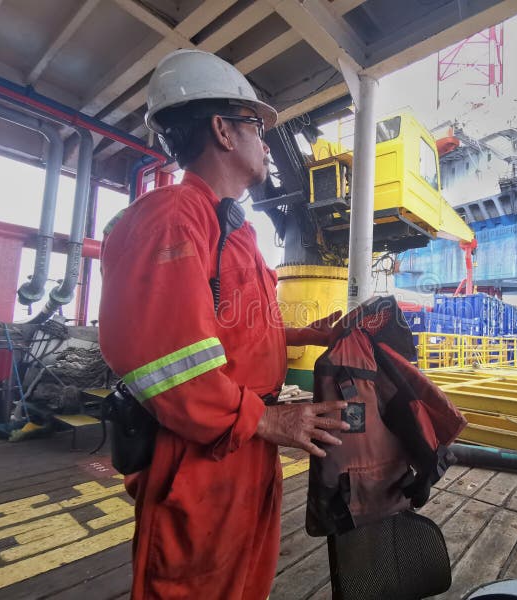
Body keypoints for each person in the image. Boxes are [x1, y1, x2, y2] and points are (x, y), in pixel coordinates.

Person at [98, 49, 349, 600]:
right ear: (223, 131)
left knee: (242, 585)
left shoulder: (232, 228)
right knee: (195, 587)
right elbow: (168, 364)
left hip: (245, 442)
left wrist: (307, 336)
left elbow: (220, 332)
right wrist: (270, 423)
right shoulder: (171, 219)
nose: (266, 142)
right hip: (201, 455)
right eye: (257, 126)